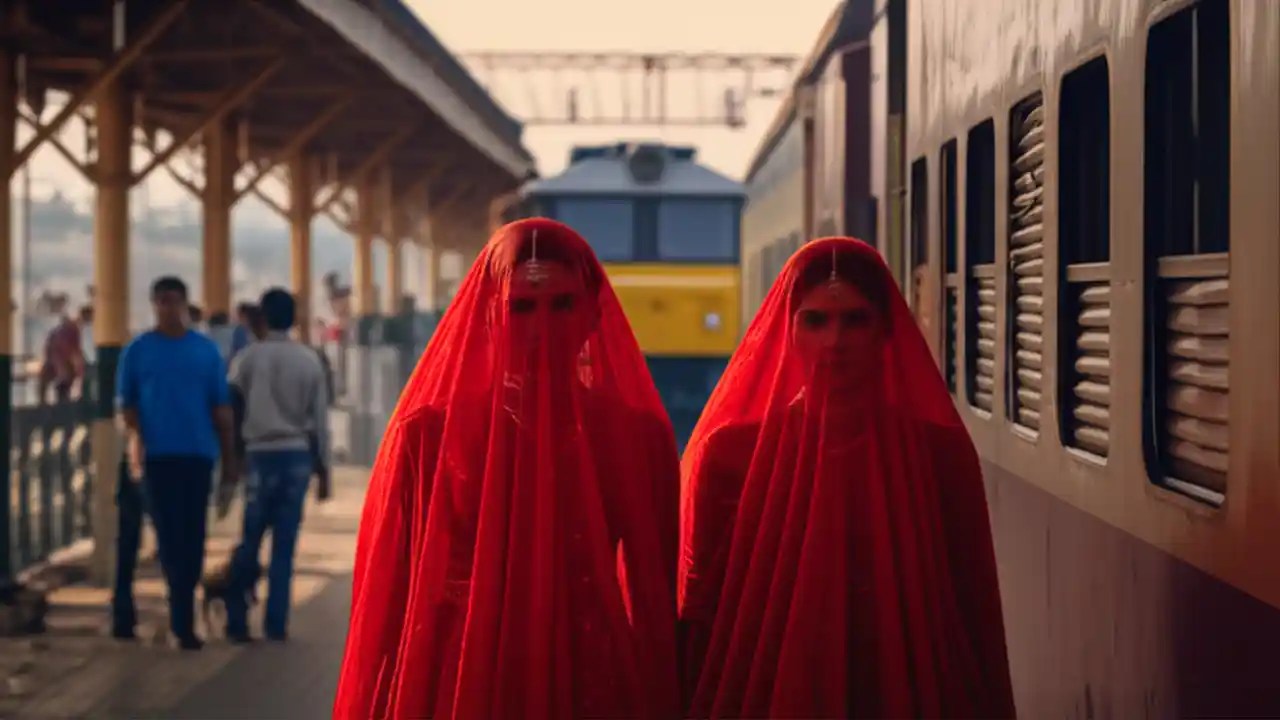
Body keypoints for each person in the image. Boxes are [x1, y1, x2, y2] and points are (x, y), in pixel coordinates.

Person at [334, 218, 681, 720]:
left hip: (589, 674)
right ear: (490, 318)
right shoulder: (428, 439)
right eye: (522, 307)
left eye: (562, 305)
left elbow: (655, 592)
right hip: (466, 675)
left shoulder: (632, 436)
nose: (542, 329)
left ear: (592, 314)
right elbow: (391, 602)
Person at [678, 237, 1016, 718]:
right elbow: (701, 609)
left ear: (885, 332)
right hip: (769, 688)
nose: (834, 342)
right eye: (815, 321)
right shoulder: (731, 454)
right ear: (789, 333)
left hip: (903, 687)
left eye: (854, 320)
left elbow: (974, 604)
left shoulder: (940, 455)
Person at [116, 276, 236, 650]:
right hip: (157, 457)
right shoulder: (137, 351)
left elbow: (221, 409)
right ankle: (181, 618)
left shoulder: (205, 352)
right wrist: (137, 441)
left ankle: (183, 608)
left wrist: (230, 459)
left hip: (197, 455)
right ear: (154, 304)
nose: (169, 308)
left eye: (175, 301)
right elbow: (127, 407)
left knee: (193, 536)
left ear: (185, 304)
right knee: (168, 537)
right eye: (163, 301)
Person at [223, 288, 330, 642]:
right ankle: (276, 623)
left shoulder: (247, 359)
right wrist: (323, 471)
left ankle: (237, 618)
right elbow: (319, 421)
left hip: (259, 455)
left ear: (263, 317)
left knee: (250, 541)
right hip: (297, 456)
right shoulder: (309, 360)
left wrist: (233, 460)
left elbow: (233, 408)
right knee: (284, 545)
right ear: (294, 318)